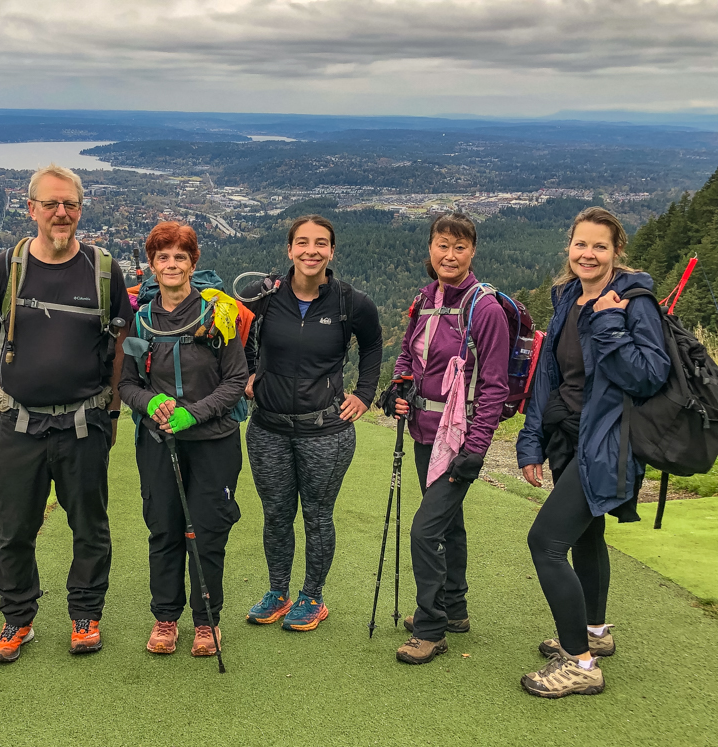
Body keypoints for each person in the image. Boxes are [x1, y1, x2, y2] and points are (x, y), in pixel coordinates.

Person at [0, 164, 133, 663]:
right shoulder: (7, 266)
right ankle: (17, 619)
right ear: (32, 209)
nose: (61, 213)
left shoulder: (104, 270)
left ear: (80, 209)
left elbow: (121, 342)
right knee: (13, 527)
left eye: (70, 204)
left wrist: (111, 411)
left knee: (89, 525)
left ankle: (85, 615)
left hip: (83, 422)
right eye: (51, 204)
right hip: (19, 424)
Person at [516, 207, 669, 698]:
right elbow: (548, 375)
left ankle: (580, 664)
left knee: (544, 543)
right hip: (569, 437)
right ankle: (595, 634)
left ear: (616, 250)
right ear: (569, 247)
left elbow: (648, 375)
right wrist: (531, 440)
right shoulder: (566, 296)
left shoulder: (632, 302)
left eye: (599, 246)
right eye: (581, 244)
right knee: (587, 536)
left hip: (607, 445)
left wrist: (609, 325)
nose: (588, 253)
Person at [243, 214, 383, 631]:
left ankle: (313, 597)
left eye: (320, 243)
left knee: (318, 515)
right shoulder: (262, 295)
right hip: (267, 427)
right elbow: (234, 336)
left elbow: (373, 345)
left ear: (332, 251)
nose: (311, 250)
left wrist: (364, 394)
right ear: (289, 250)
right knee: (275, 514)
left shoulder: (350, 302)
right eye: (302, 242)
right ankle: (278, 592)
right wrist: (248, 371)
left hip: (326, 430)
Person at [119, 222, 248, 658]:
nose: (171, 264)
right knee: (164, 530)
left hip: (214, 441)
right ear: (152, 265)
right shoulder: (141, 317)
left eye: (180, 256)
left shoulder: (218, 314)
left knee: (208, 532)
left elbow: (236, 380)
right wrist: (150, 403)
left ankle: (207, 622)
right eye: (163, 257)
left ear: (194, 262)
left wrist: (193, 413)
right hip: (159, 443)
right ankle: (166, 618)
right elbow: (128, 383)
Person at [387, 212, 509, 665]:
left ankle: (431, 626)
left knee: (425, 530)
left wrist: (476, 450)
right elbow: (408, 352)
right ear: (431, 248)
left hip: (456, 439)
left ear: (472, 251)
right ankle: (454, 609)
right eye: (442, 244)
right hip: (423, 430)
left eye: (459, 247)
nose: (449, 255)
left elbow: (493, 386)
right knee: (448, 525)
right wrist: (399, 384)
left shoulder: (485, 309)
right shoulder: (426, 298)